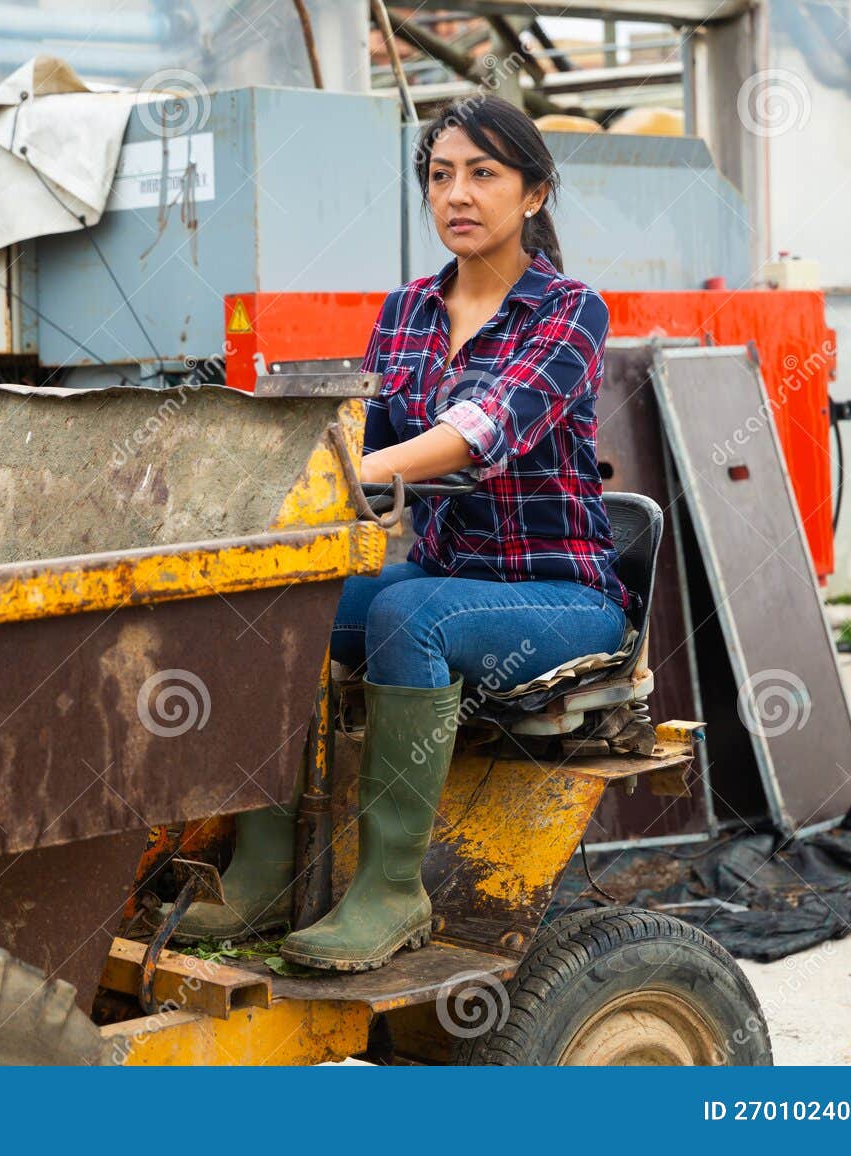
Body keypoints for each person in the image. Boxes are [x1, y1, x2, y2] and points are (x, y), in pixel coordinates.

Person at [176, 96, 632, 972]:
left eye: (484, 174)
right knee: (286, 598)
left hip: (560, 598)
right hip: (442, 578)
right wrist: (271, 484)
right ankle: (268, 866)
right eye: (439, 175)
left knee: (409, 614)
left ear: (535, 194)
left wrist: (358, 472)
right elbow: (370, 438)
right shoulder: (408, 312)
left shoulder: (571, 311)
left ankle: (390, 891)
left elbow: (483, 427)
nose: (457, 194)